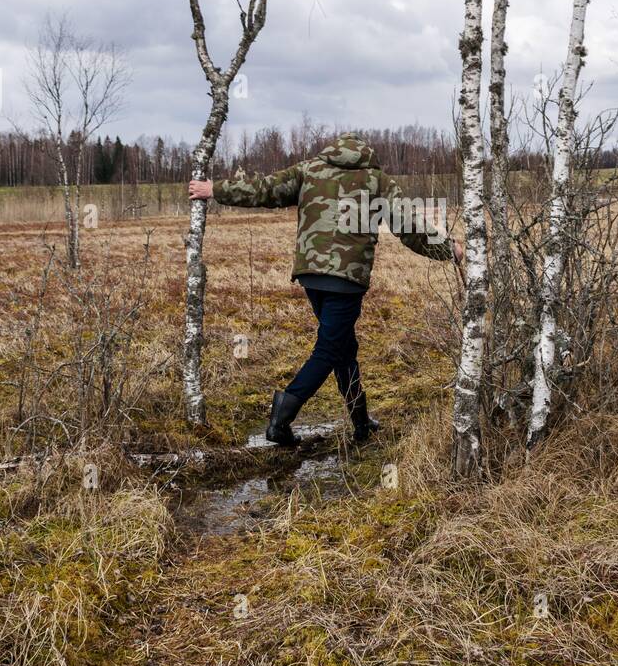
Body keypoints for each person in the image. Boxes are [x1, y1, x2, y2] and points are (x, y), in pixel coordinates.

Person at [189, 131, 462, 446]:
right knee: (330, 349)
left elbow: (265, 189)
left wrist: (216, 189)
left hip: (311, 274)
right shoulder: (377, 180)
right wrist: (448, 249)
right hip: (345, 278)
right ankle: (282, 416)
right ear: (366, 153)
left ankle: (360, 422)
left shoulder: (310, 170)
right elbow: (407, 226)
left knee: (343, 347)